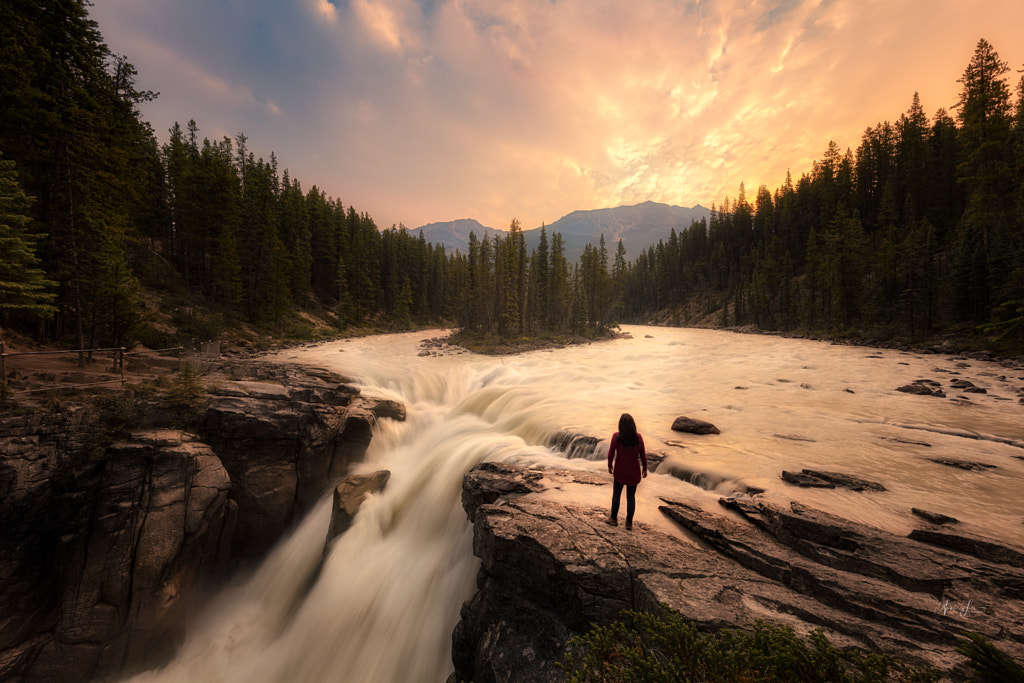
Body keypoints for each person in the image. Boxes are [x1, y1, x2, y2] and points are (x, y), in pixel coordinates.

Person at [605, 413, 647, 530]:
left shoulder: (616, 437)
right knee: (631, 498)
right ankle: (629, 523)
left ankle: (613, 519)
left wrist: (609, 466)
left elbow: (610, 454)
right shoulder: (638, 438)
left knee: (616, 495)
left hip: (619, 472)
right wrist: (645, 469)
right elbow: (643, 455)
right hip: (633, 474)